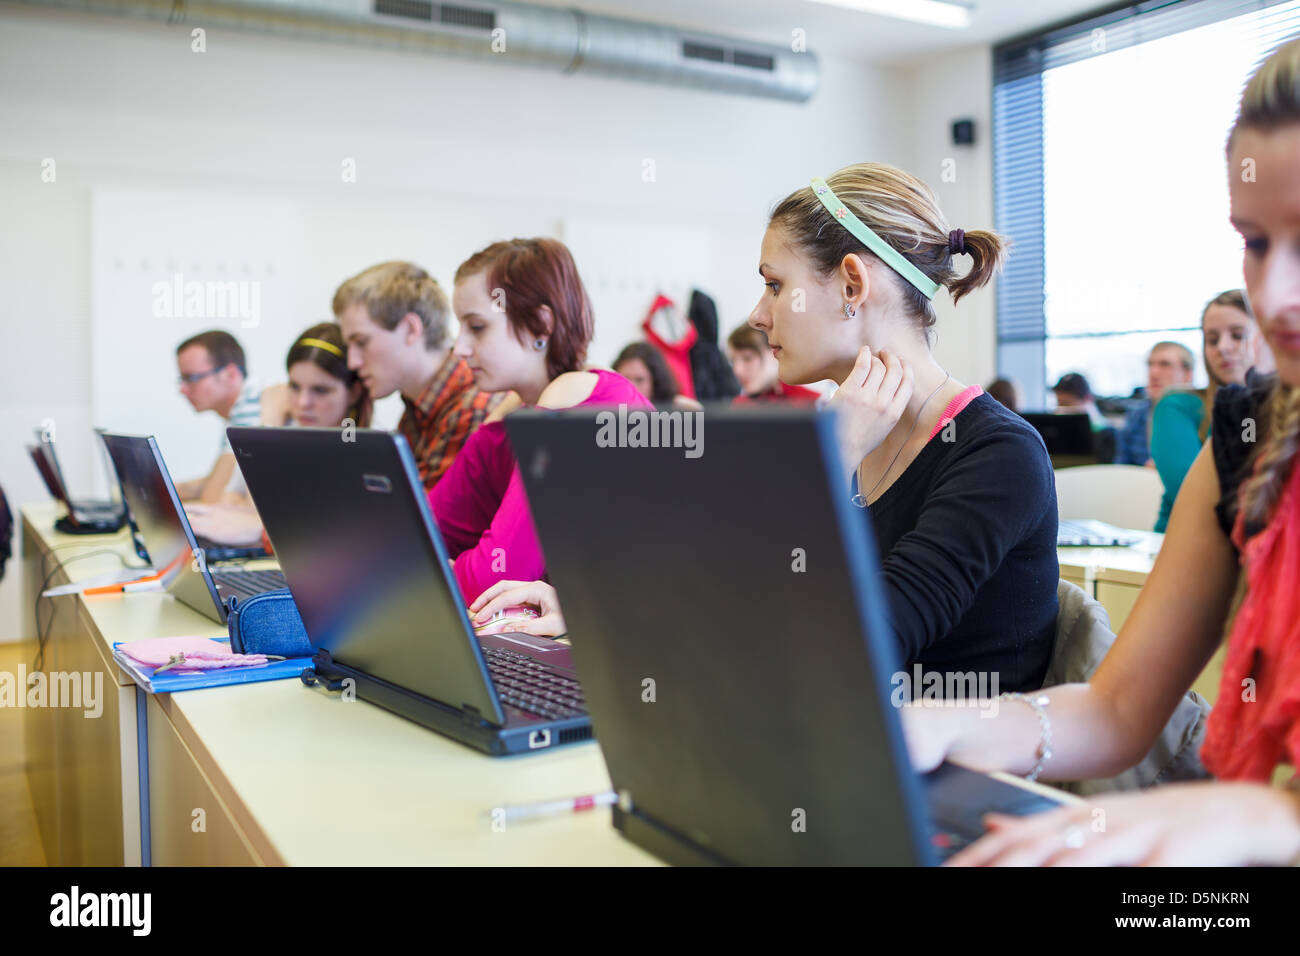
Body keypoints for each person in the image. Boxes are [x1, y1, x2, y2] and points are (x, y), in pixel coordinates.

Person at [901, 38, 1300, 866]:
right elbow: (1119, 711)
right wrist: (946, 722)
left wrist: (1256, 819)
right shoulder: (1245, 444)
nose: (1276, 295)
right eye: (1256, 243)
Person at [748, 162, 1058, 692]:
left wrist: (828, 463)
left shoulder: (999, 454)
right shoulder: (845, 434)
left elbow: (859, 650)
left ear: (852, 284)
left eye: (775, 285)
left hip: (945, 766)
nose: (758, 314)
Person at [430, 238, 653, 604]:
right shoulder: (512, 413)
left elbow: (495, 577)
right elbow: (416, 544)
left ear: (540, 324)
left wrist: (442, 572)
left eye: (477, 327)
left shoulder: (579, 401)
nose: (460, 348)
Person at [187, 323, 374, 546]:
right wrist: (270, 422)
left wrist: (254, 519)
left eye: (320, 390)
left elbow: (331, 537)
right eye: (294, 387)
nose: (303, 403)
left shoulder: (364, 452)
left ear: (353, 393)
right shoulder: (287, 429)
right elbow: (227, 500)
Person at [334, 261, 502, 489]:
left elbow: (418, 520)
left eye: (362, 342)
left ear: (411, 329)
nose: (353, 362)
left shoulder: (472, 410)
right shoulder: (417, 408)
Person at [1150, 290, 1270, 532]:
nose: (1223, 348)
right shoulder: (1178, 405)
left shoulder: (1280, 408)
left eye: (1237, 335)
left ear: (1265, 337)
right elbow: (1189, 493)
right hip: (1187, 541)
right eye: (1212, 340)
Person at [173, 330, 261, 503]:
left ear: (231, 375)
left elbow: (213, 497)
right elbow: (227, 479)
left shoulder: (252, 405)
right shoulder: (243, 405)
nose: (182, 389)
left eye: (191, 378)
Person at [1115, 342, 1196, 466]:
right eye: (1150, 365)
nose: (1153, 373)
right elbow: (1120, 467)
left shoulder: (1203, 415)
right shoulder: (1136, 415)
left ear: (1187, 374)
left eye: (1165, 364)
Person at [727, 325, 821, 404]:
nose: (737, 371)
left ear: (774, 352)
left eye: (748, 358)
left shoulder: (813, 403)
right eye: (733, 361)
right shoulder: (738, 406)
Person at [612, 342, 703, 411]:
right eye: (624, 380)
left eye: (639, 380)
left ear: (656, 381)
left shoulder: (679, 408)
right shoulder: (604, 410)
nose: (631, 387)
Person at [1051, 371, 1117, 463]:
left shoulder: (1106, 433)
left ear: (1087, 400)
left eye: (1067, 404)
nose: (1062, 409)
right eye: (1059, 404)